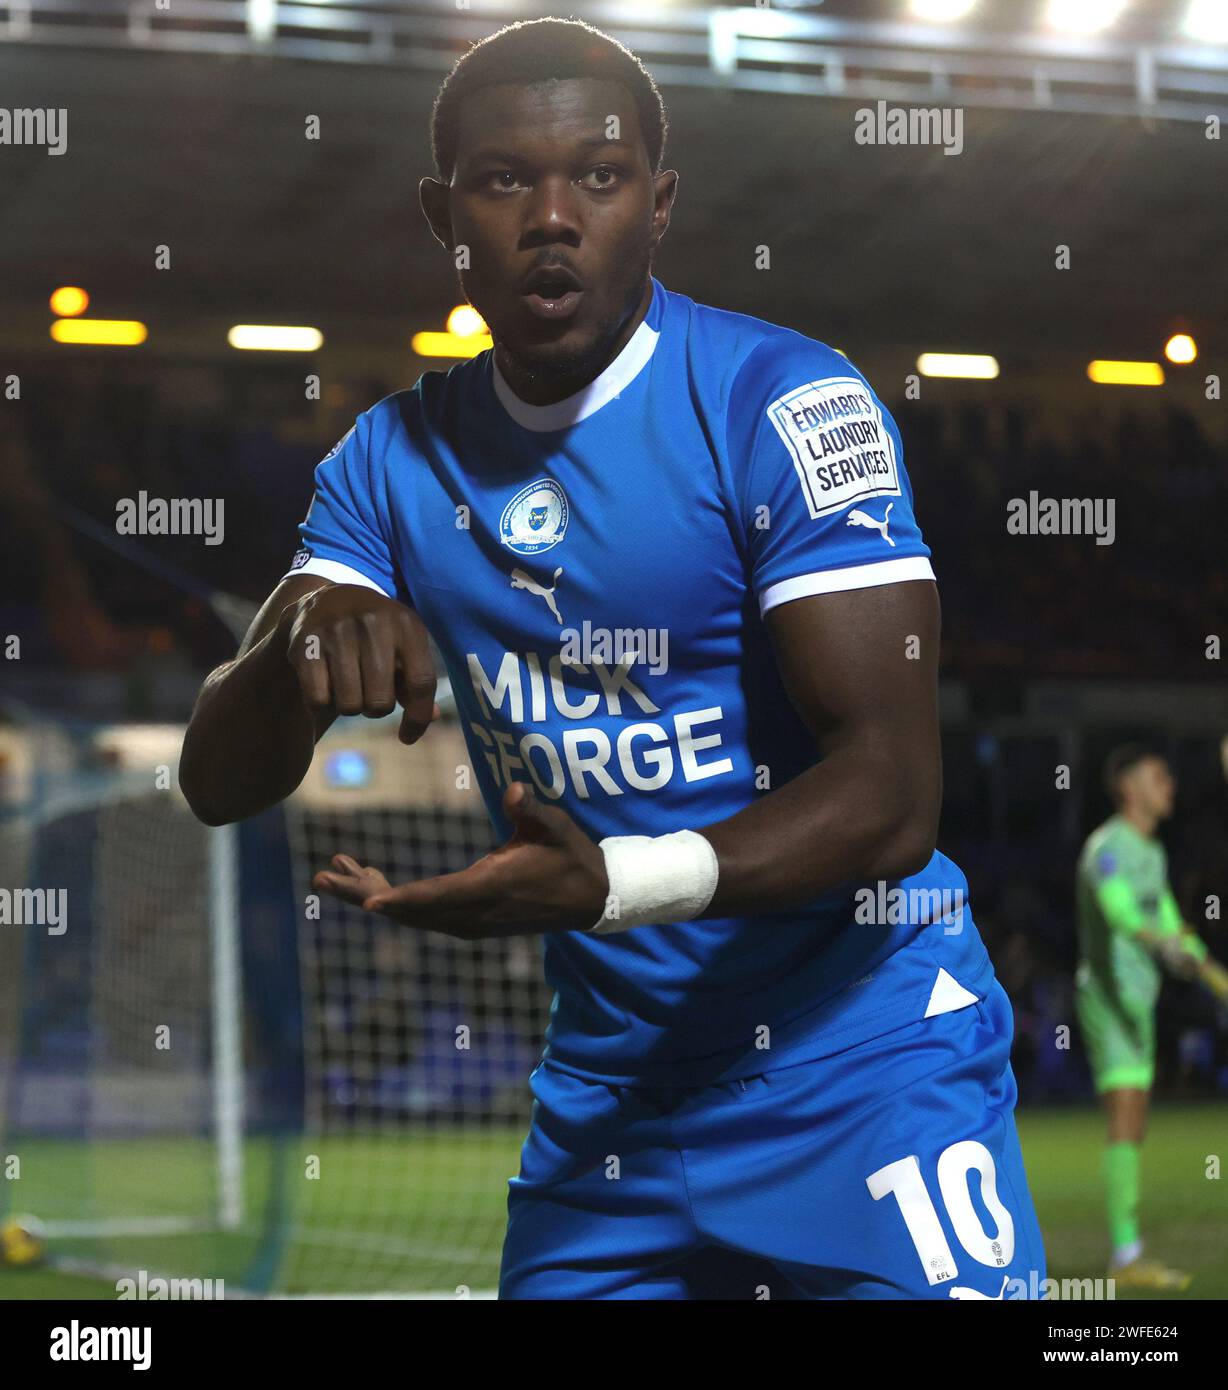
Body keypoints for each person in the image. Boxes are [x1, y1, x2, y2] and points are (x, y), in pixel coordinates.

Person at [180, 17, 1045, 1299]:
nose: (549, 216)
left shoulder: (784, 404)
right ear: (442, 212)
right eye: (501, 179)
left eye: (597, 175)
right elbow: (217, 779)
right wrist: (297, 639)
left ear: (659, 203)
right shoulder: (387, 462)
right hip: (612, 1109)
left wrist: (613, 884)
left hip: (858, 1064)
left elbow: (894, 793)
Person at [1075, 744, 1228, 1291]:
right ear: (1128, 786)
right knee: (1125, 1115)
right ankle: (1125, 1256)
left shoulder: (1152, 852)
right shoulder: (1107, 848)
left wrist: (1216, 978)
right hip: (1109, 999)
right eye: (1159, 775)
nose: (1170, 784)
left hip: (1138, 999)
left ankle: (1128, 1251)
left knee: (1134, 1123)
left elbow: (1170, 922)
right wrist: (1164, 945)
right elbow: (1119, 915)